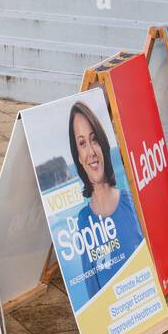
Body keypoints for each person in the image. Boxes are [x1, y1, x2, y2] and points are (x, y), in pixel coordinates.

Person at [69, 100, 142, 299]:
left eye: (94, 140)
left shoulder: (130, 203)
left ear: (103, 143)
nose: (91, 152)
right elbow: (92, 289)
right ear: (78, 157)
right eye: (82, 143)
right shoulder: (84, 220)